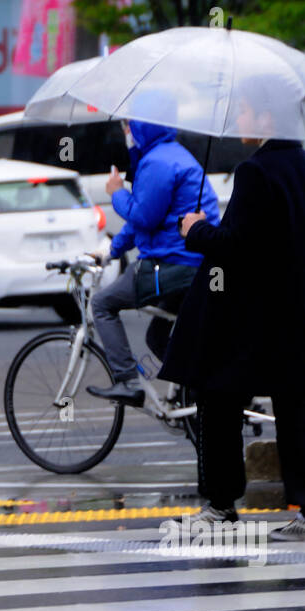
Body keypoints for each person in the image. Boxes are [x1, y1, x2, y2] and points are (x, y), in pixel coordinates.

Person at [160, 134, 305, 540]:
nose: (240, 118)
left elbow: (234, 246)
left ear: (264, 116)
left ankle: (222, 505)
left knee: (217, 396)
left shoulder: (255, 171)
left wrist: (196, 229)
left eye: (245, 109)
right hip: (299, 313)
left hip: (248, 317)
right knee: (297, 405)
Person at [86, 119, 220, 405]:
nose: (125, 133)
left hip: (171, 264)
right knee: (157, 337)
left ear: (142, 128)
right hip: (191, 265)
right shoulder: (170, 154)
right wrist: (111, 251)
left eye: (128, 126)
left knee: (101, 304)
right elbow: (144, 223)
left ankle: (127, 380)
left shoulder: (158, 163)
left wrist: (117, 192)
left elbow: (143, 216)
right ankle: (197, 391)